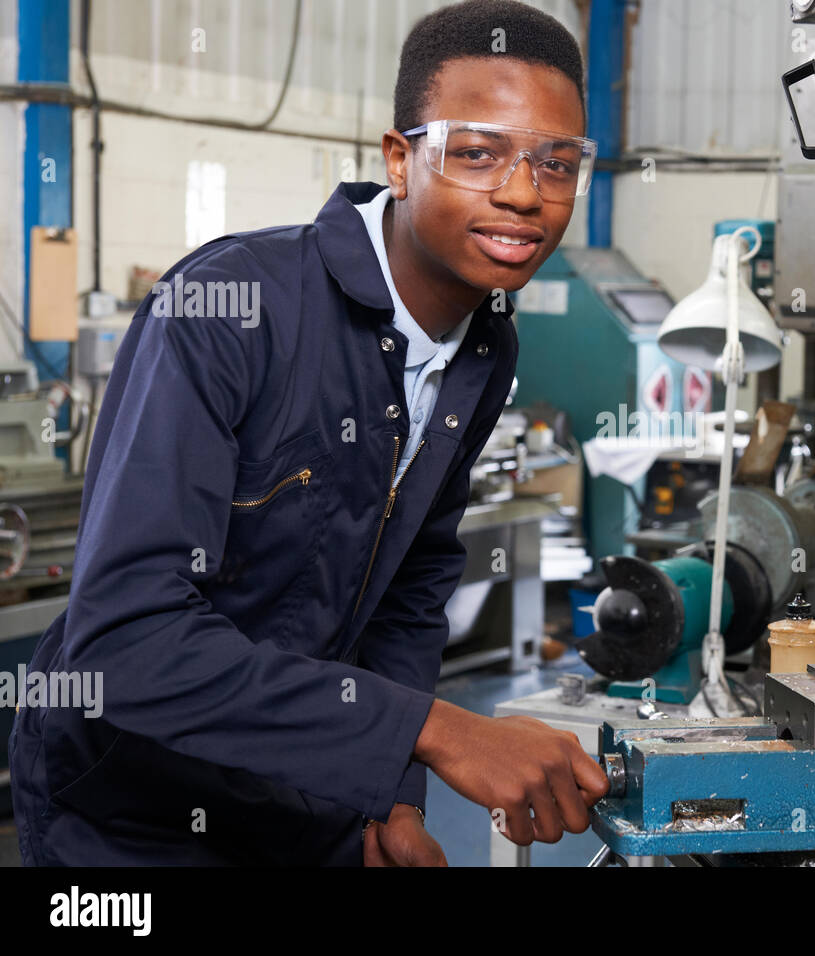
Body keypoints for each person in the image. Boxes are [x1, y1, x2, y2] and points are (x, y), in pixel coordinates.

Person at [9, 0, 608, 866]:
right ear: (399, 160)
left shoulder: (485, 346)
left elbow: (411, 587)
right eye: (476, 153)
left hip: (310, 796)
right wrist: (439, 734)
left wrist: (391, 799)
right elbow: (127, 641)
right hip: (134, 814)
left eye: (556, 164)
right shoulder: (227, 312)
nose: (523, 193)